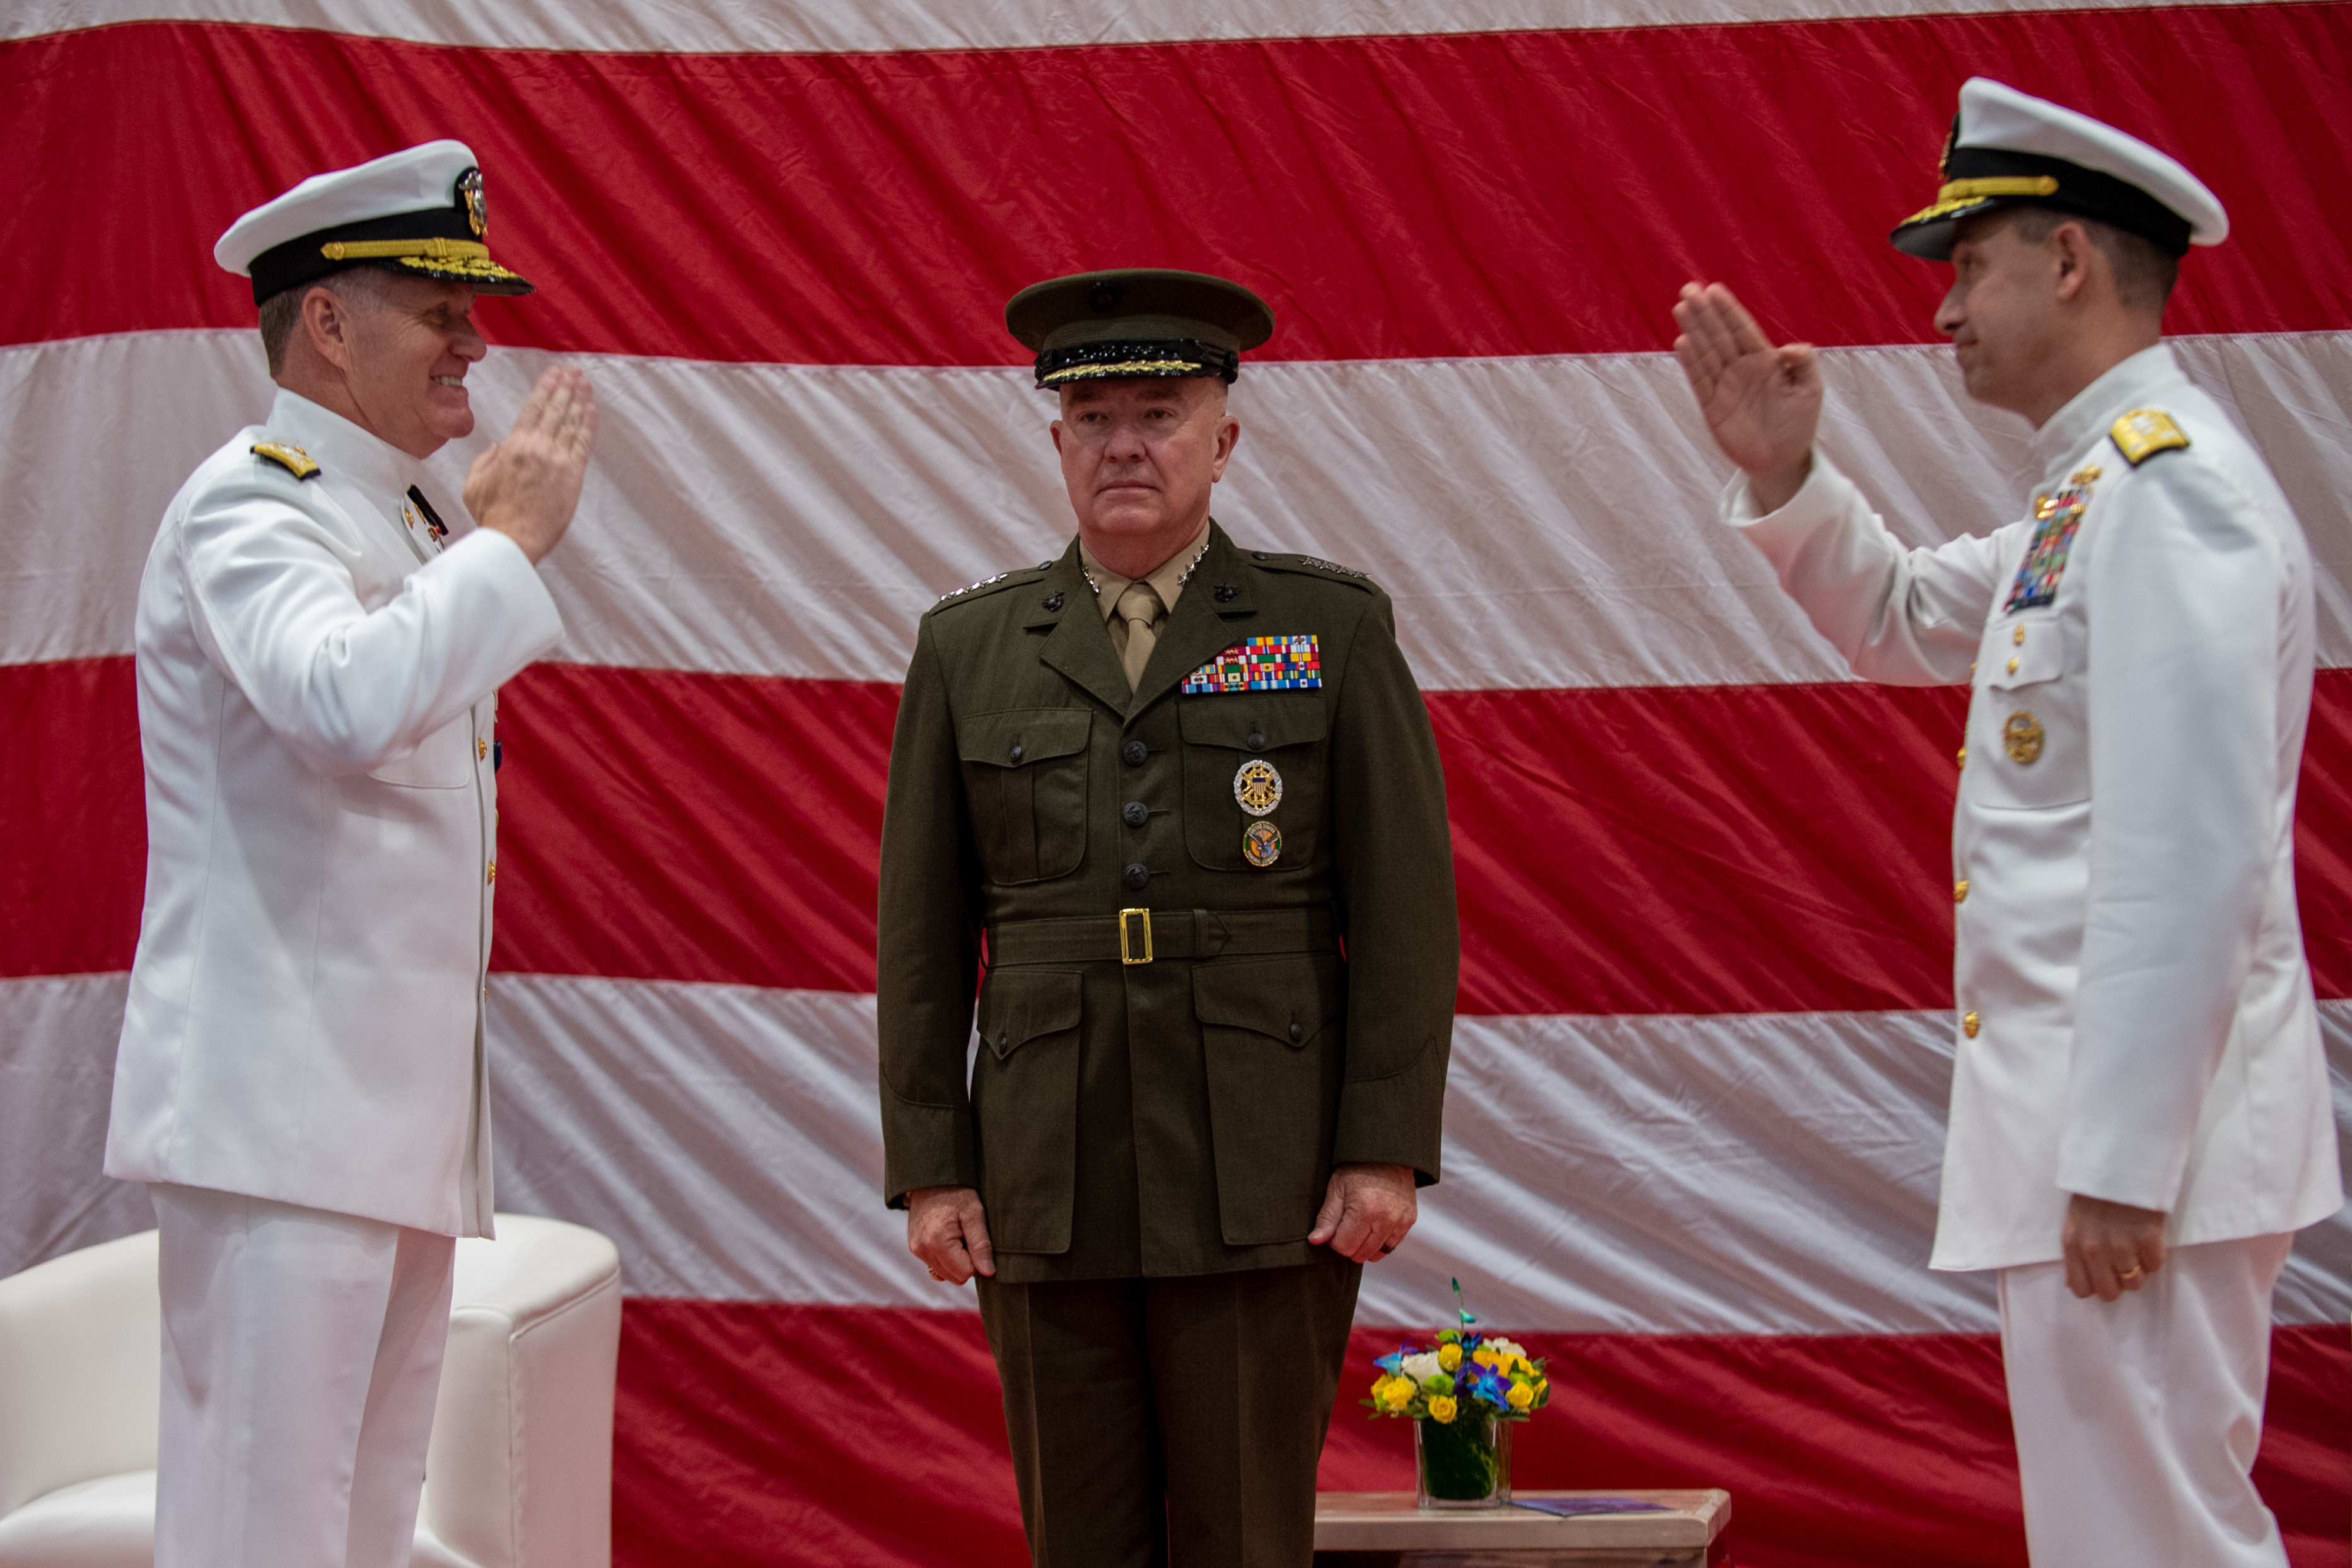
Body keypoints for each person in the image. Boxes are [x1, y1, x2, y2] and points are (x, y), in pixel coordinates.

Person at [1672, 79, 2339, 1565]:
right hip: (2109, 1141)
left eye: (1969, 265)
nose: (1944, 309)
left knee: (2150, 1542)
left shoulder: (2168, 493)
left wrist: (2121, 1157)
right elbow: (1903, 614)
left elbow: (2189, 855)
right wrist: (1783, 470)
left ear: (2069, 261)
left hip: (2140, 1151)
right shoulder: (2094, 494)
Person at [876, 268, 1458, 1567]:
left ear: (1223, 438)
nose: (1124, 445)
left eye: (1158, 414)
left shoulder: (1327, 627)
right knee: (1078, 1541)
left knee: (1244, 1537)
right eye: (1093, 419)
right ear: (1057, 443)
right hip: (1046, 1163)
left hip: (1261, 1161)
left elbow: (1405, 912)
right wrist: (932, 1161)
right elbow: (920, 933)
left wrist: (1381, 1146)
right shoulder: (970, 647)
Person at [103, 141, 596, 1568]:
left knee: (367, 1527)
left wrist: (473, 548)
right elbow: (340, 705)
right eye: (440, 309)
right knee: (262, 1531)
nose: (474, 340)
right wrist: (504, 550)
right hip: (278, 1125)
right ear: (326, 320)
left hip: (380, 1130)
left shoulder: (400, 512)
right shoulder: (249, 502)